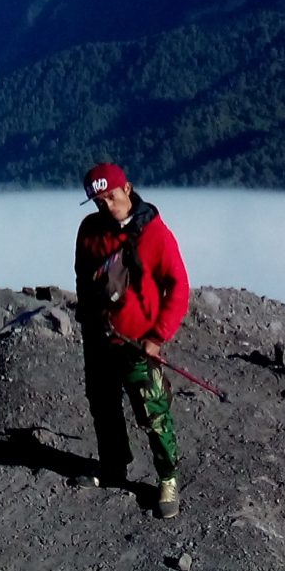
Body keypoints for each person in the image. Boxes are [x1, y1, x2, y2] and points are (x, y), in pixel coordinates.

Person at [73, 159, 190, 519]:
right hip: (100, 338)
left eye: (111, 197)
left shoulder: (154, 233)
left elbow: (179, 286)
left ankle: (167, 477)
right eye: (99, 202)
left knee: (152, 411)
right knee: (103, 404)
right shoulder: (90, 230)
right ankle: (113, 466)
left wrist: (158, 337)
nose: (107, 206)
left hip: (139, 343)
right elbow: (82, 277)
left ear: (127, 189)